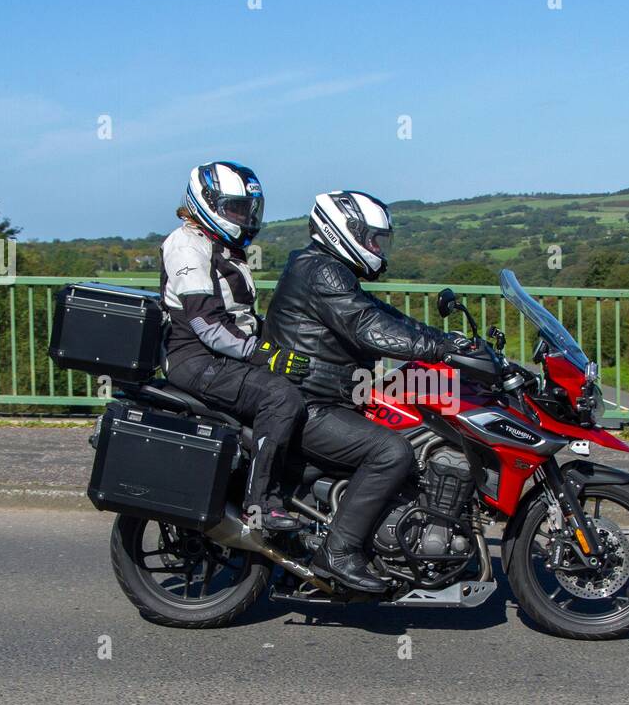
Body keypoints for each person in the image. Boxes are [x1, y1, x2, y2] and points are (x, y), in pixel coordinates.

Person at [262, 190, 470, 593]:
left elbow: (383, 316)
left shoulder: (327, 269)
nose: (377, 247)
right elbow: (367, 328)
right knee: (391, 451)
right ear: (344, 230)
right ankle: (337, 554)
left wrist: (445, 340)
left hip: (325, 397)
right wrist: (442, 349)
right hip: (308, 404)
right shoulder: (320, 271)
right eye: (372, 238)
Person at [160, 161, 310, 531]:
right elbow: (207, 325)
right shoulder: (186, 246)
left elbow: (240, 317)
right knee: (279, 397)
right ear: (206, 202)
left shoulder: (219, 246)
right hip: (195, 359)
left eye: (246, 209)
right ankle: (260, 503)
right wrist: (267, 355)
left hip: (217, 356)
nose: (242, 217)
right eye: (234, 208)